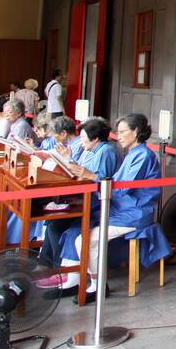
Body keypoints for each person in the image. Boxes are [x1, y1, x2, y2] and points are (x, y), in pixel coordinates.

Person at [38, 113, 163, 301]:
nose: (118, 136)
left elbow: (121, 189)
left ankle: (98, 285)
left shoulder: (143, 155)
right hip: (118, 208)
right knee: (73, 231)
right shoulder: (132, 153)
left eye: (122, 132)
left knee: (86, 240)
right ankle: (73, 280)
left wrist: (90, 175)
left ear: (136, 132)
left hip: (133, 213)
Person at [36, 117, 118, 273]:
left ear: (95, 139)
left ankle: (59, 268)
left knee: (56, 225)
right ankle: (46, 263)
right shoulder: (89, 150)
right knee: (52, 221)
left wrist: (87, 174)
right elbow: (79, 170)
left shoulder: (106, 152)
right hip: (82, 195)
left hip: (95, 202)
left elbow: (105, 183)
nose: (81, 142)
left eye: (84, 138)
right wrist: (68, 159)